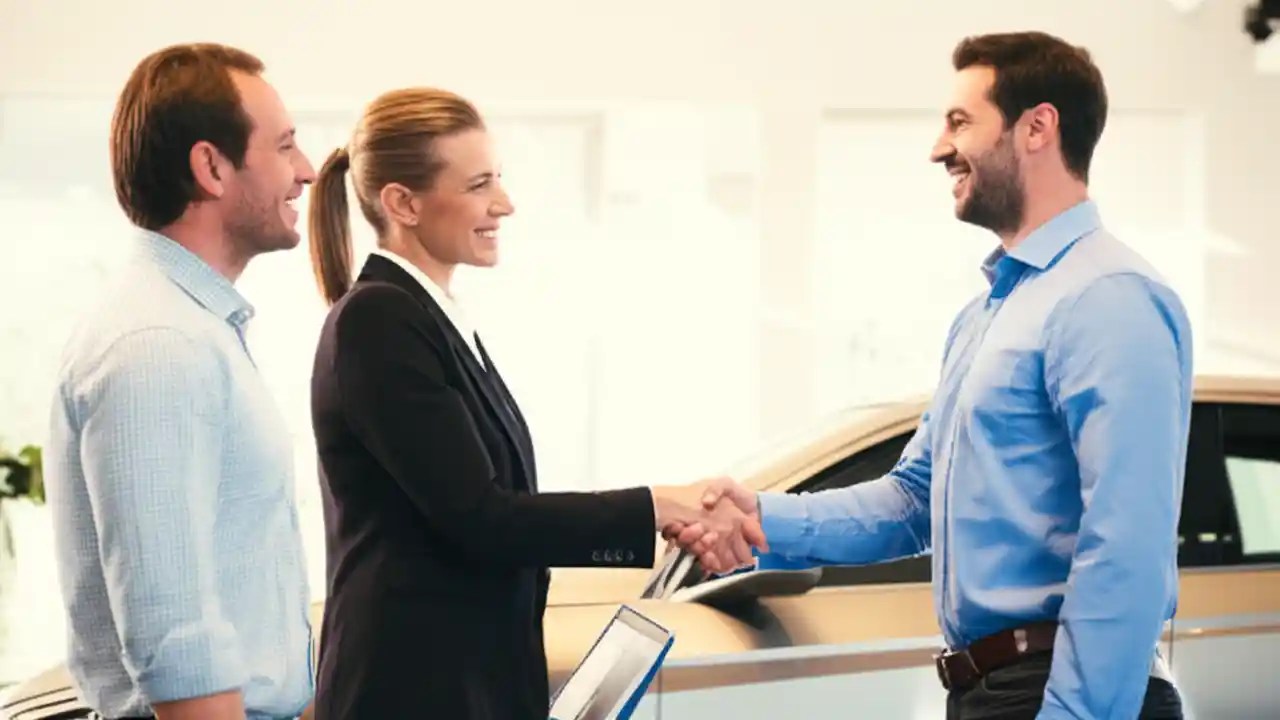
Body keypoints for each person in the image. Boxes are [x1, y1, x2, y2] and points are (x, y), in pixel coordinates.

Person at [686, 31, 1192, 720]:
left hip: (1055, 692)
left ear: (1037, 127)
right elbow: (913, 502)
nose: (938, 147)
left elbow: (1126, 543)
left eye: (960, 122)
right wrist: (759, 518)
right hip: (988, 692)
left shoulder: (1109, 297)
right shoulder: (987, 315)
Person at [304, 86, 764, 720]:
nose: (505, 203)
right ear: (402, 203)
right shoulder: (379, 320)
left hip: (466, 686)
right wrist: (658, 506)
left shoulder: (431, 319)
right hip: (414, 692)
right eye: (479, 185)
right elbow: (482, 518)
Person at [44, 43, 317, 720]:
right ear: (211, 167)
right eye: (285, 147)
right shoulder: (158, 345)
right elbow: (176, 635)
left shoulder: (191, 327)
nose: (306, 172)